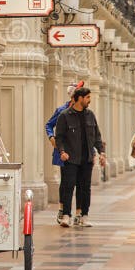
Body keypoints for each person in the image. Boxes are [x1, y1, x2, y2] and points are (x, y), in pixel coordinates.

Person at [54, 87, 107, 228]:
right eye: (88, 97)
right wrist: (62, 152)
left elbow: (97, 136)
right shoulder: (65, 116)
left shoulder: (90, 115)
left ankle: (83, 216)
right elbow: (59, 138)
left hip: (87, 159)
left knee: (85, 188)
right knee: (68, 187)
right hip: (70, 158)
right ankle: (66, 215)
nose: (89, 100)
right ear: (80, 98)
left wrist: (101, 152)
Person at [45, 80, 84, 223]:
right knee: (66, 182)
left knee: (80, 183)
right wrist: (51, 137)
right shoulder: (61, 110)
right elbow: (49, 124)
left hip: (80, 152)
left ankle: (79, 213)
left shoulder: (84, 111)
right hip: (65, 151)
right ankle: (63, 210)